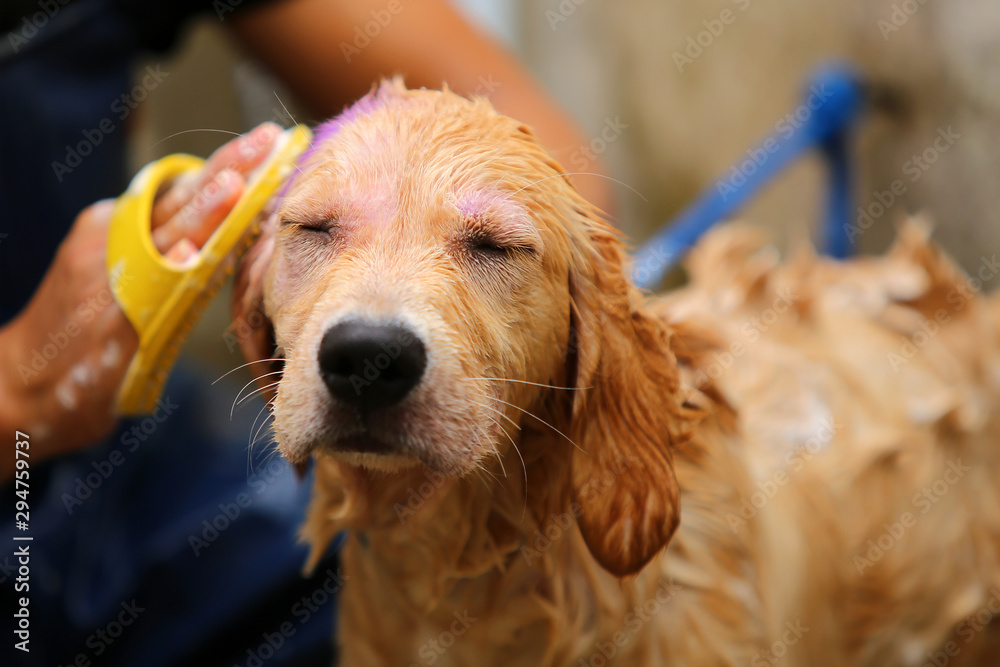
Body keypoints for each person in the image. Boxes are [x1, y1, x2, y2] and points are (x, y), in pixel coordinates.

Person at [0, 0, 612, 664]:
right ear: (250, 319)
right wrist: (19, 390)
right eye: (315, 229)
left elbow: (547, 154)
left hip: (138, 470)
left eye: (488, 244)